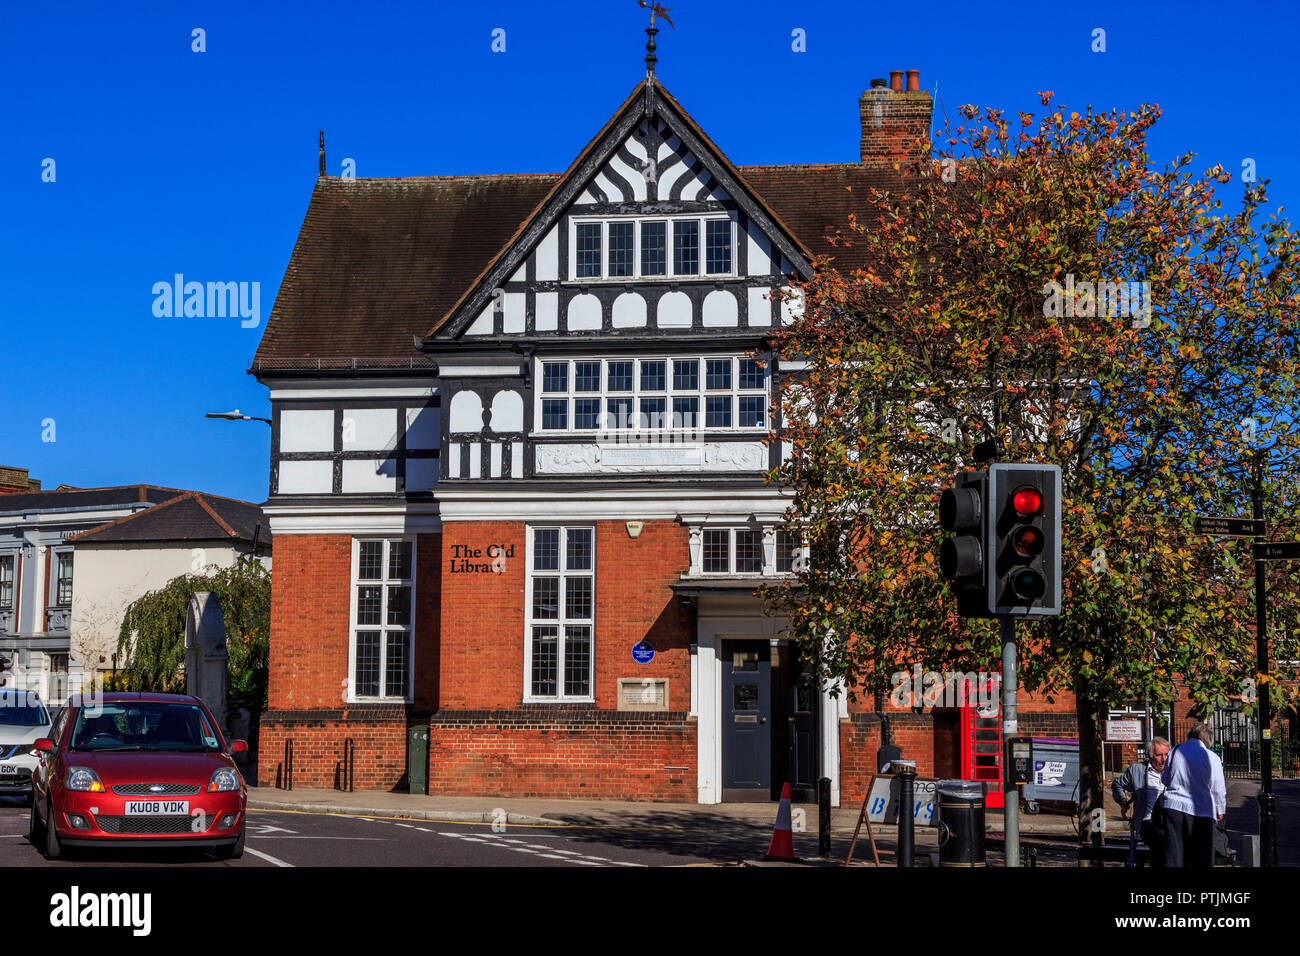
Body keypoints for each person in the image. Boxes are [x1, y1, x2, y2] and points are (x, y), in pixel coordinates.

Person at [1161, 723, 1228, 867]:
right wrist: (1220, 810)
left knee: (1174, 856)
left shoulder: (1174, 751)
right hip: (1202, 810)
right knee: (1202, 857)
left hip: (1173, 808)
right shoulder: (1212, 757)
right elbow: (1218, 788)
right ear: (1207, 740)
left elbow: (1164, 779)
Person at [1111, 736, 1170, 866]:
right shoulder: (1137, 770)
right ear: (1150, 756)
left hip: (1170, 820)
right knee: (1160, 839)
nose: (1164, 759)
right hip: (1147, 820)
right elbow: (1117, 785)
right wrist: (1123, 801)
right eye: (1159, 755)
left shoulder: (1174, 771)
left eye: (1166, 754)